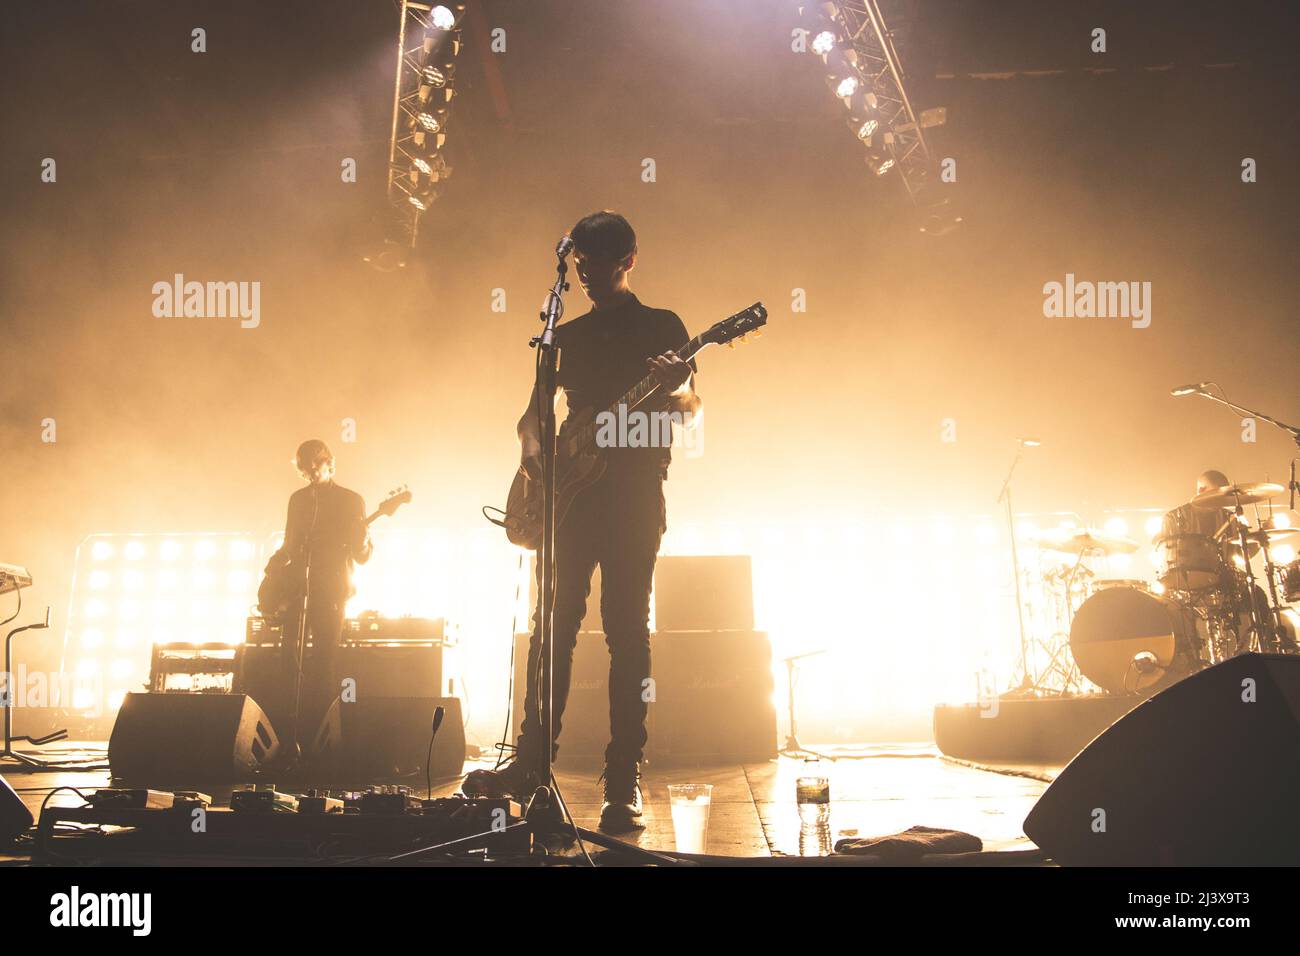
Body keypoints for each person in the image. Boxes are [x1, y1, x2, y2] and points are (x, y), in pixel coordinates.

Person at [465, 211, 700, 833]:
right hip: (570, 503)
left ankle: (623, 780)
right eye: (581, 265)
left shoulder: (663, 327)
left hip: (633, 498)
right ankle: (532, 764)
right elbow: (531, 419)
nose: (589, 275)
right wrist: (538, 462)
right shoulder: (563, 335)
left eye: (600, 264)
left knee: (627, 635)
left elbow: (687, 410)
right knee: (552, 631)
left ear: (629, 260)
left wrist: (676, 391)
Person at [278, 439, 372, 755]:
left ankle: (320, 738)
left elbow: (363, 555)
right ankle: (287, 736)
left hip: (331, 590)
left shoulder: (350, 500)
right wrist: (276, 574)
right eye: (304, 466)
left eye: (315, 464)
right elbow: (290, 546)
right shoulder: (298, 500)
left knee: (324, 662)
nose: (310, 471)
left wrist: (360, 543)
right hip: (298, 591)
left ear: (329, 461)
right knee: (288, 659)